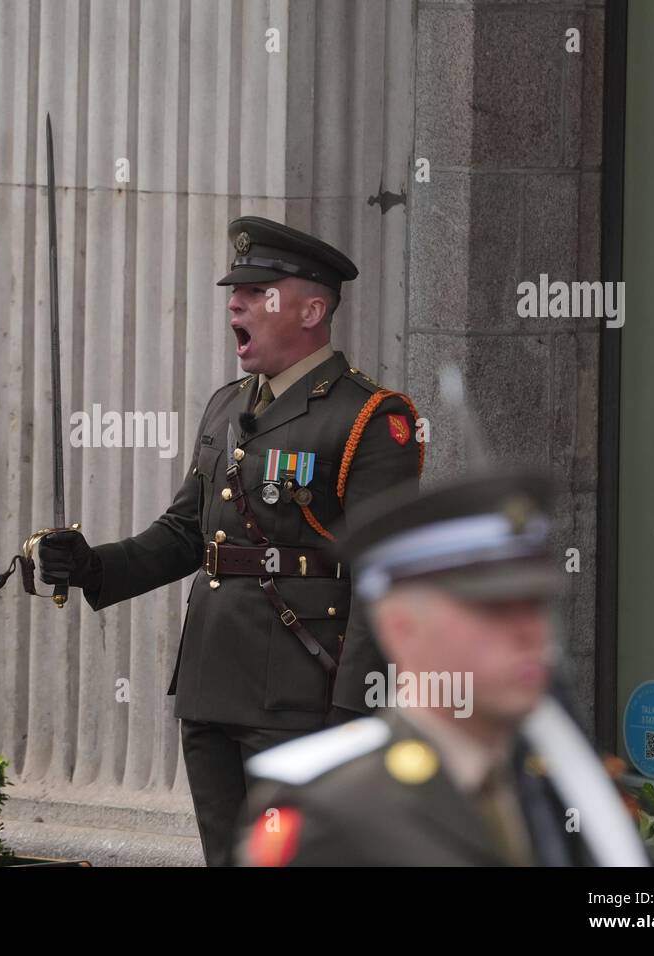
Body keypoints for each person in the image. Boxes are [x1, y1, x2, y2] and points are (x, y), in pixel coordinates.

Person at [39, 216, 423, 866]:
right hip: (212, 687)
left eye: (256, 291)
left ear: (312, 308)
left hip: (304, 698)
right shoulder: (226, 408)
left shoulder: (370, 419)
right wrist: (89, 565)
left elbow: (385, 578)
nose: (235, 303)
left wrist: (356, 711)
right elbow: (184, 535)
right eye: (234, 290)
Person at [237, 474, 649, 866]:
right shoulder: (332, 810)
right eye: (494, 608)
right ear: (402, 629)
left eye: (536, 604)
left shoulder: (564, 782)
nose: (531, 632)